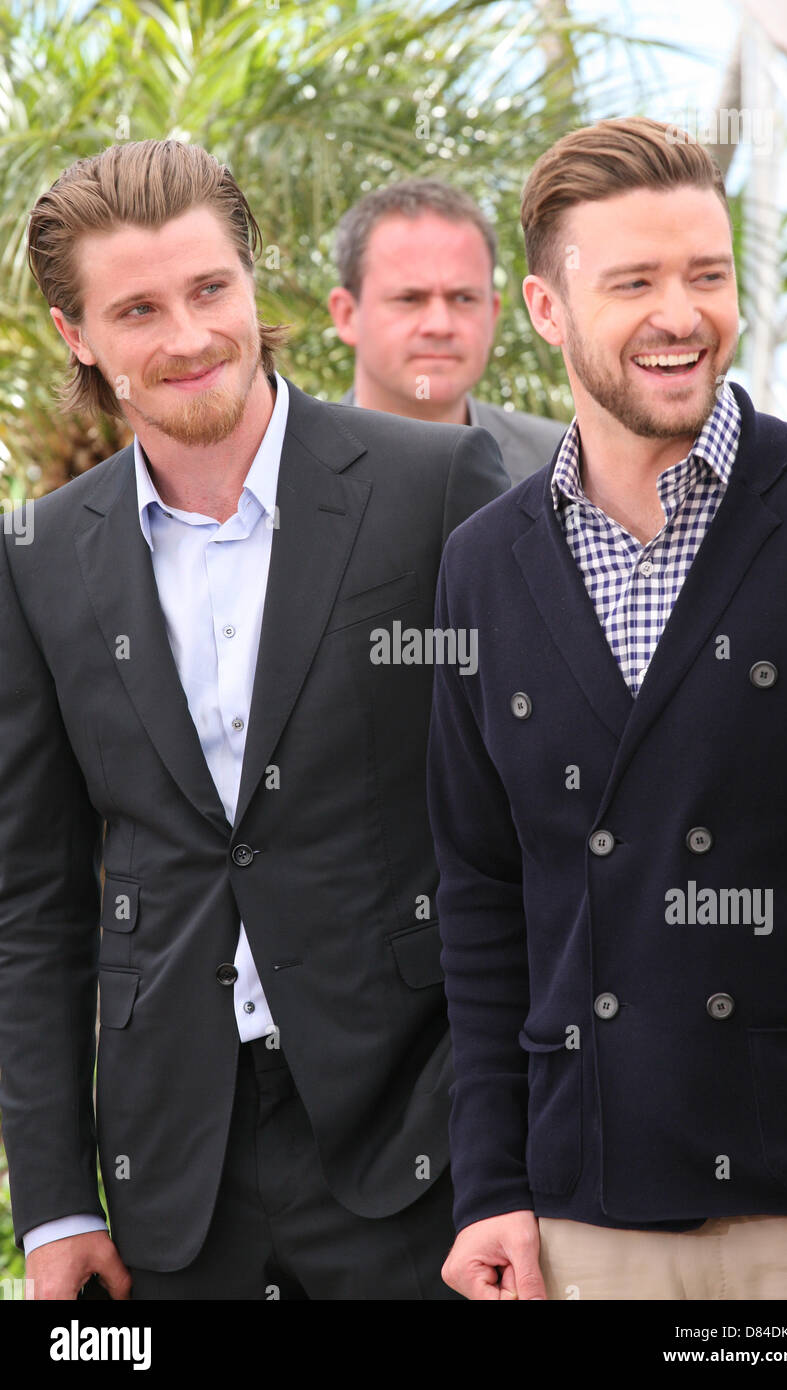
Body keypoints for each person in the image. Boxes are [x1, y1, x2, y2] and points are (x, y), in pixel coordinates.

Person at [0, 138, 508, 1300]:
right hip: (174, 1175)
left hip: (416, 1153)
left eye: (209, 288)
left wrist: (510, 1157)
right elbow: (34, 902)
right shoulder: (35, 560)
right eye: (137, 308)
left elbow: (519, 828)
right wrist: (57, 1203)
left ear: (252, 282)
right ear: (79, 336)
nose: (186, 337)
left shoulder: (437, 486)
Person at [427, 116, 787, 1301]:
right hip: (581, 1207)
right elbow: (478, 894)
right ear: (546, 310)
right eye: (634, 282)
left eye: (704, 274)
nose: (681, 313)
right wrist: (490, 1185)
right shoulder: (480, 566)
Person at [328, 179, 564, 485]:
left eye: (463, 299)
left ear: (492, 315)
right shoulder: (283, 471)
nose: (440, 325)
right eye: (409, 299)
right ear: (347, 315)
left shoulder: (561, 467)